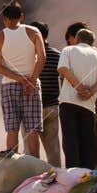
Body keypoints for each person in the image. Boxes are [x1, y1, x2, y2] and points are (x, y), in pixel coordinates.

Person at [0, 4, 45, 157]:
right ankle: (35, 166)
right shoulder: (34, 32)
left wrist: (19, 79)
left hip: (9, 86)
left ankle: (12, 164)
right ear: (21, 16)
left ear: (4, 19)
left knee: (12, 128)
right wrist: (31, 81)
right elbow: (42, 58)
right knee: (33, 128)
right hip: (32, 85)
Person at [57, 26, 97, 168]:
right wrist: (91, 91)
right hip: (88, 106)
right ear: (92, 42)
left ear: (77, 39)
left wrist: (79, 87)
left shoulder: (68, 50)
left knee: (71, 142)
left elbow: (63, 69)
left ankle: (73, 176)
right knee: (87, 143)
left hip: (68, 102)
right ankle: (87, 177)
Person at [36, 23, 63, 166]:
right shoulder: (58, 55)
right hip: (53, 106)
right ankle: (57, 179)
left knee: (31, 150)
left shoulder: (30, 56)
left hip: (32, 107)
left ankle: (32, 180)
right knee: (53, 150)